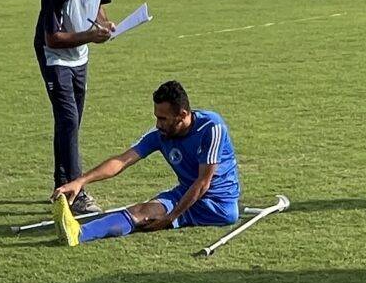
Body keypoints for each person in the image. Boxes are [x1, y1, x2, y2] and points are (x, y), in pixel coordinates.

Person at [53, 80, 240, 245]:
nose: (158, 124)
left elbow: (202, 183)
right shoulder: (160, 134)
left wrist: (170, 217)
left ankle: (81, 232)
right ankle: (77, 233)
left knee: (149, 213)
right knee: (141, 211)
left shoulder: (212, 127)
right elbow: (121, 161)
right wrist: (80, 181)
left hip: (218, 205)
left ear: (182, 115)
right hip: (185, 193)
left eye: (163, 118)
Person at [36, 0, 126, 212]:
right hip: (55, 57)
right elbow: (53, 37)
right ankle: (77, 192)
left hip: (80, 57)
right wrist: (90, 36)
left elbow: (98, 6)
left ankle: (62, 187)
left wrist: (104, 23)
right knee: (68, 121)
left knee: (70, 124)